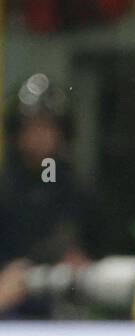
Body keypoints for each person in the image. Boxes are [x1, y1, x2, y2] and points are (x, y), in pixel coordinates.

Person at [0, 73, 99, 317]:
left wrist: (83, 264)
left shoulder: (76, 189)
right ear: (17, 133)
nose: (39, 135)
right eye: (31, 127)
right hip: (10, 300)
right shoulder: (6, 187)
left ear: (62, 132)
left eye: (46, 126)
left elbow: (97, 243)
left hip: (63, 300)